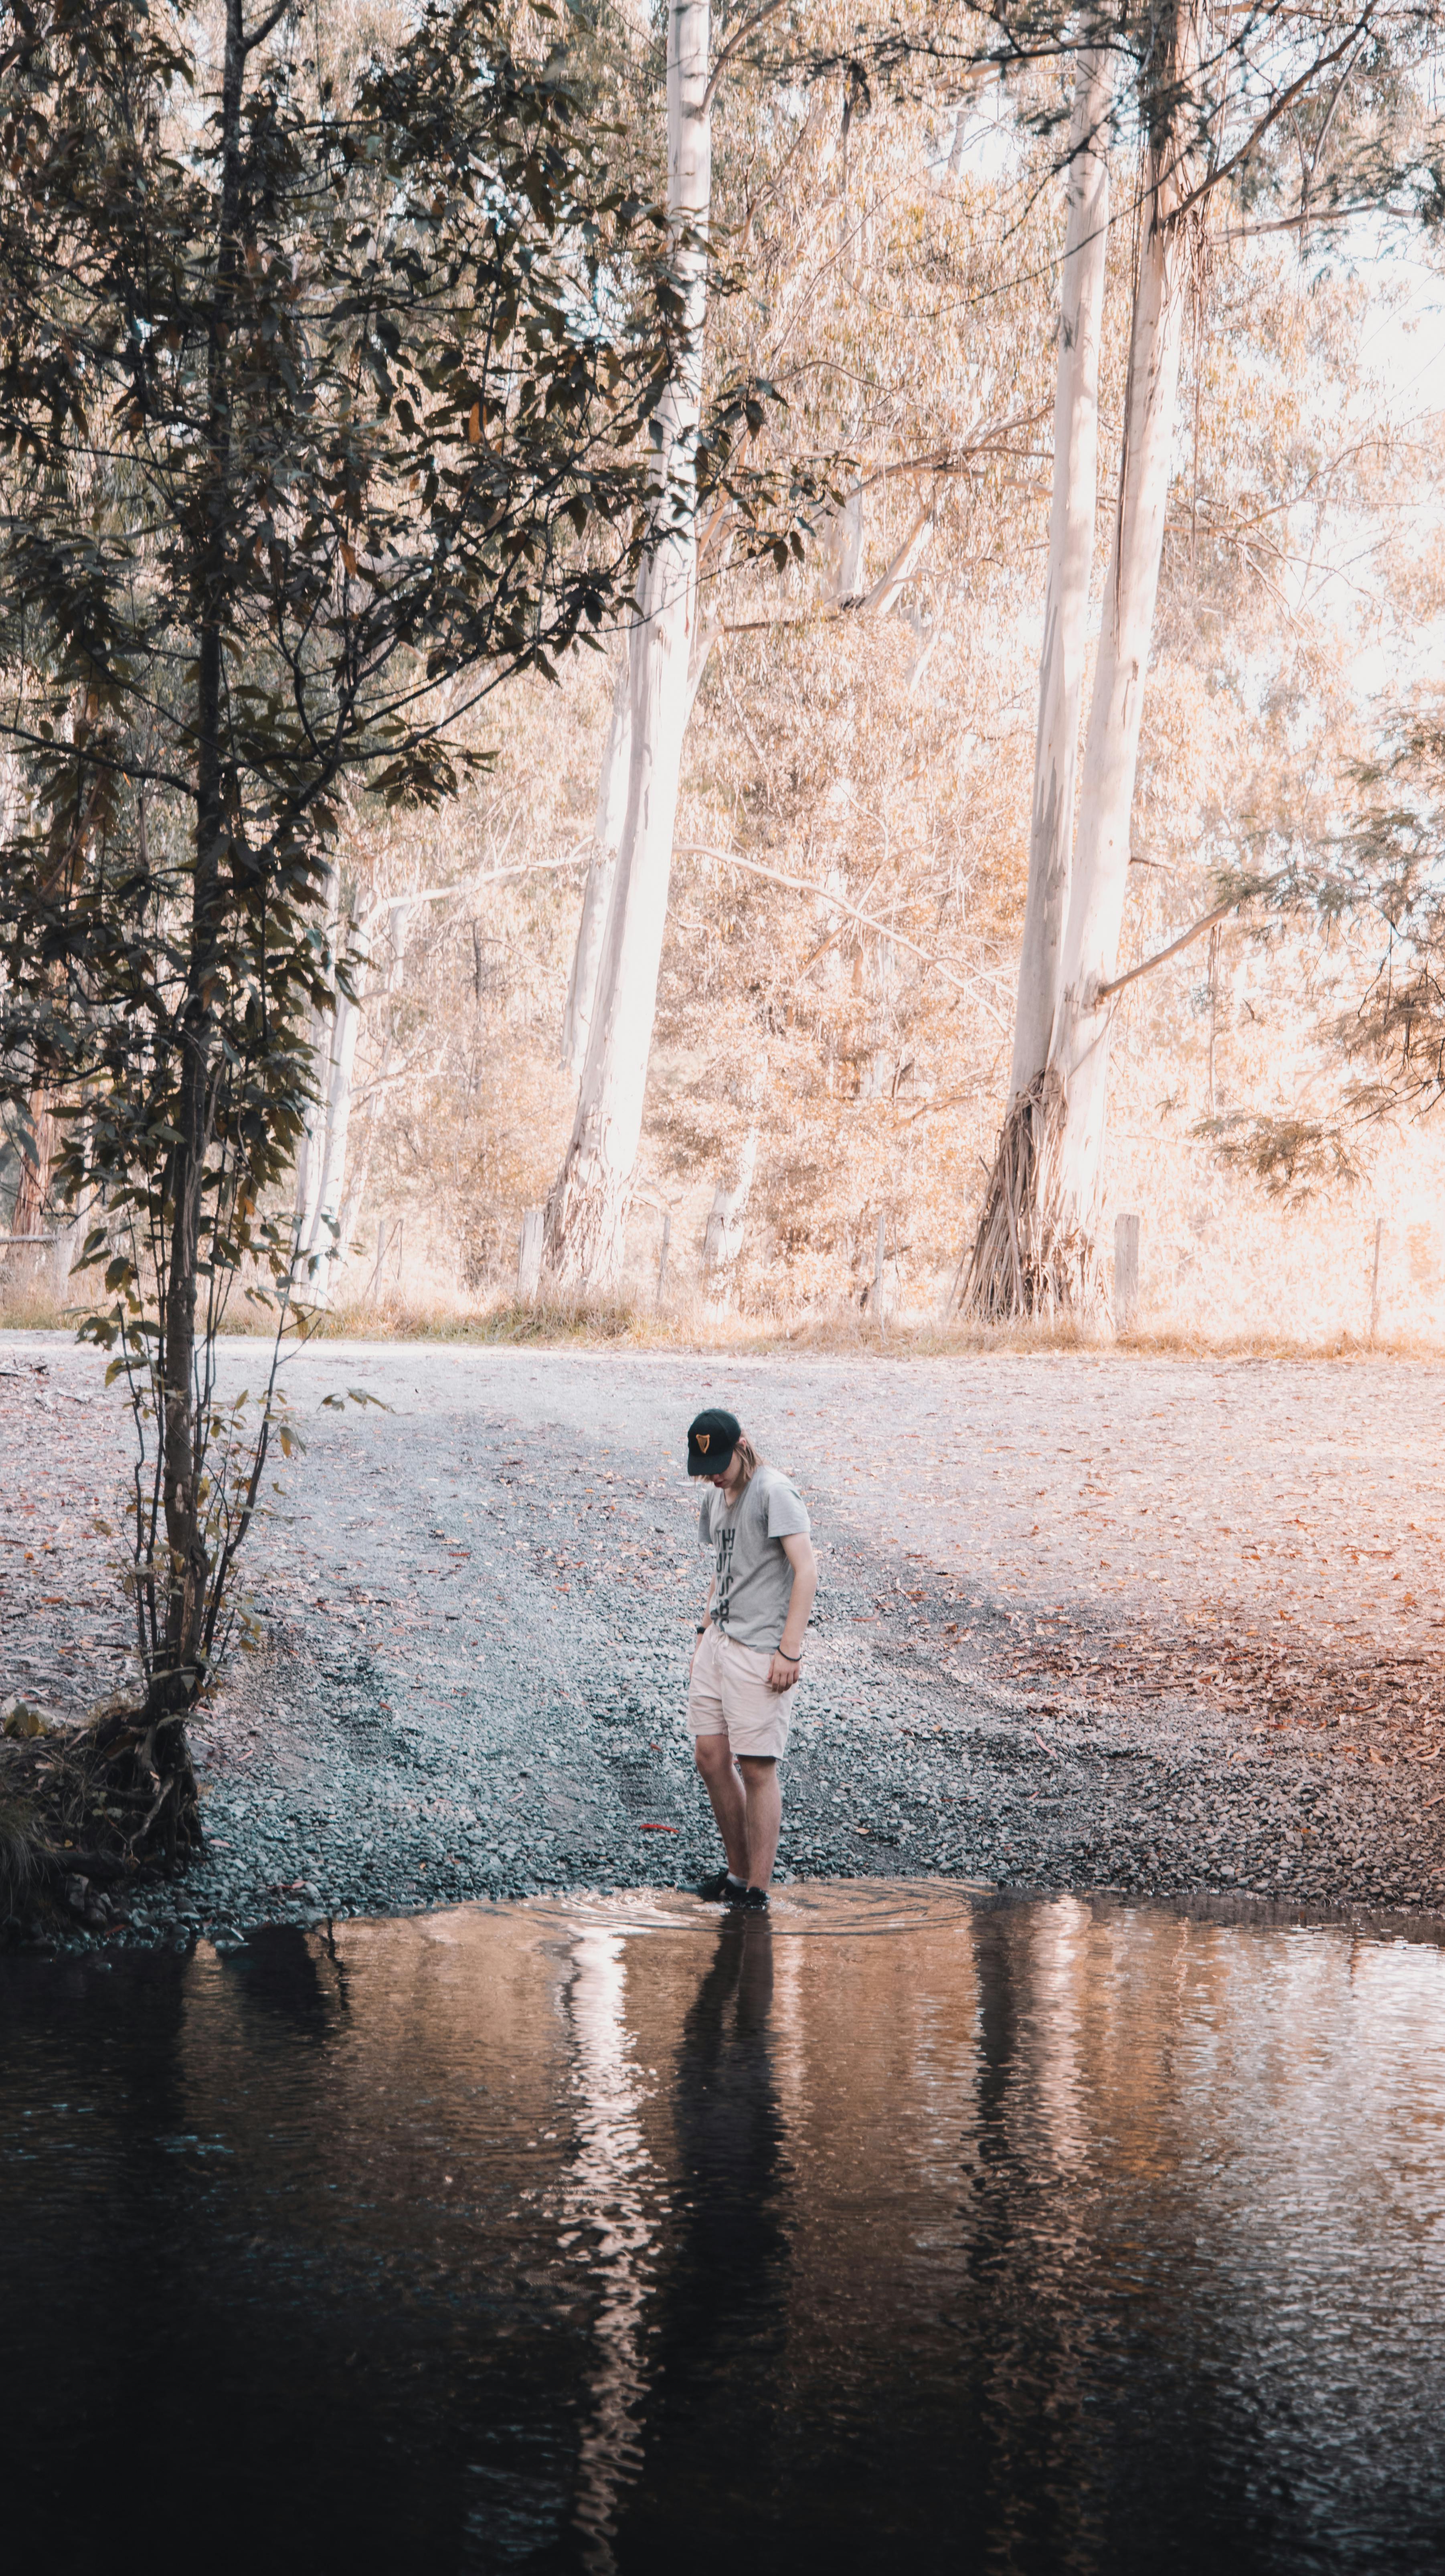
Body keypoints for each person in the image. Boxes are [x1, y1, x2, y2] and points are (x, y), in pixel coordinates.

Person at [685, 1406, 817, 1912]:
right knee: (711, 1757)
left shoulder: (774, 1491)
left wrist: (790, 1650)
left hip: (762, 1649)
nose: (713, 1474)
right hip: (718, 1641)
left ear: (742, 1444)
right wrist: (702, 1629)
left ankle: (757, 1892)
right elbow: (724, 1568)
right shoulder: (715, 1496)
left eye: (719, 1461)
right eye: (704, 1466)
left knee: (757, 1766)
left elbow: (805, 1571)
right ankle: (736, 1878)